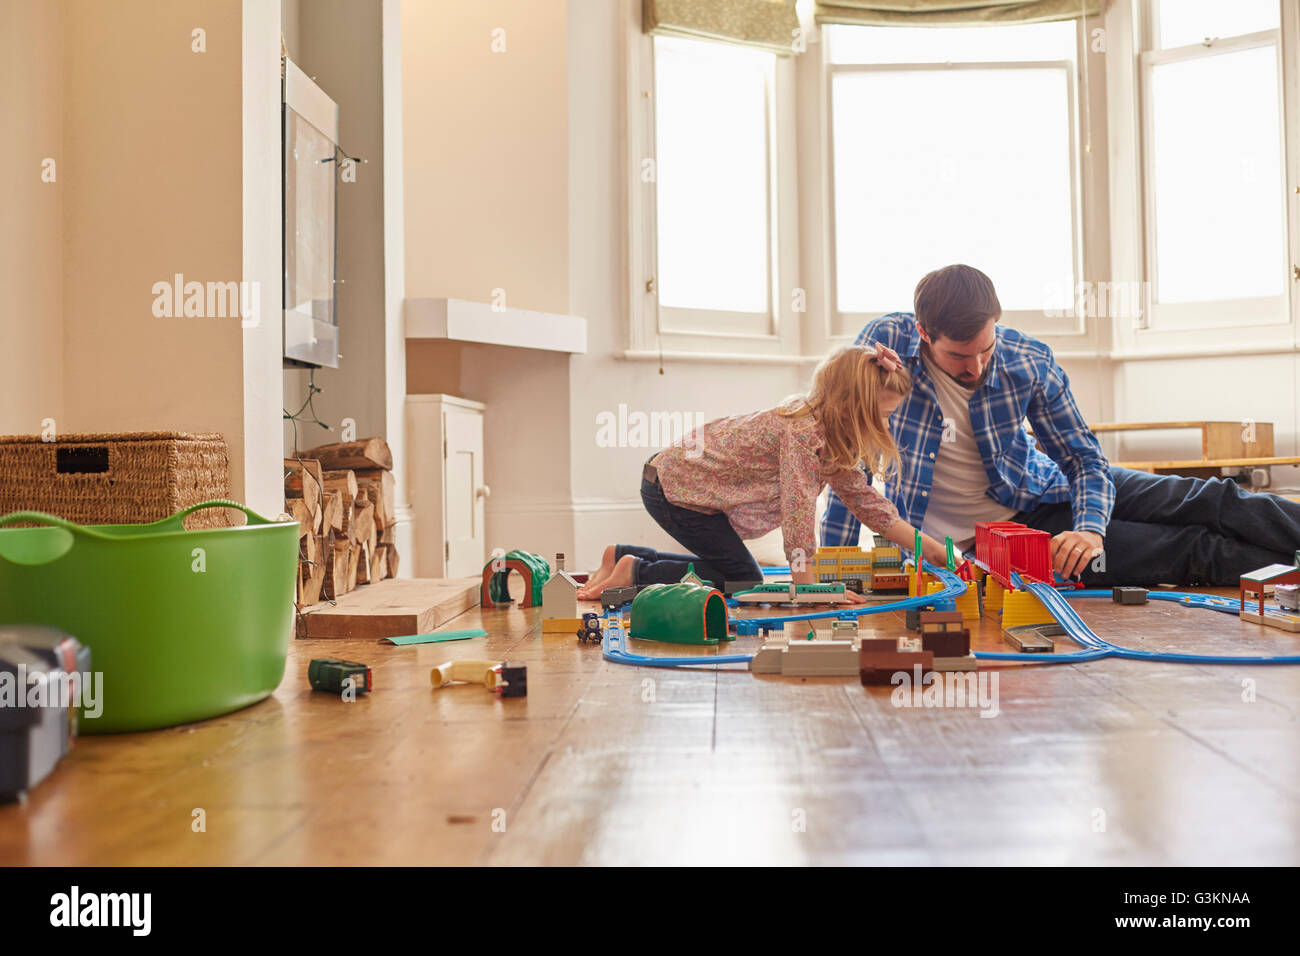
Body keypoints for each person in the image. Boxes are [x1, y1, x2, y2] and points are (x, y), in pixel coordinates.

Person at [821, 263, 1300, 586]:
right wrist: (831, 578)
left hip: (1043, 489)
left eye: (985, 349)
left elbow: (1082, 458)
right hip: (986, 551)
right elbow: (848, 467)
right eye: (959, 356)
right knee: (1191, 550)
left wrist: (1091, 529)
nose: (977, 367)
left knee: (1207, 498)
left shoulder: (1028, 360)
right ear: (924, 334)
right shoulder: (884, 345)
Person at [577, 344, 949, 602]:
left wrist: (925, 545)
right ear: (849, 406)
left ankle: (623, 556)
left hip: (681, 484)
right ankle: (638, 571)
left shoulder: (832, 438)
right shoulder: (804, 431)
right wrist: (808, 590)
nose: (885, 424)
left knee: (734, 570)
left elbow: (867, 503)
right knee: (742, 581)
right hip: (675, 488)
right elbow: (799, 511)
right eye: (881, 415)